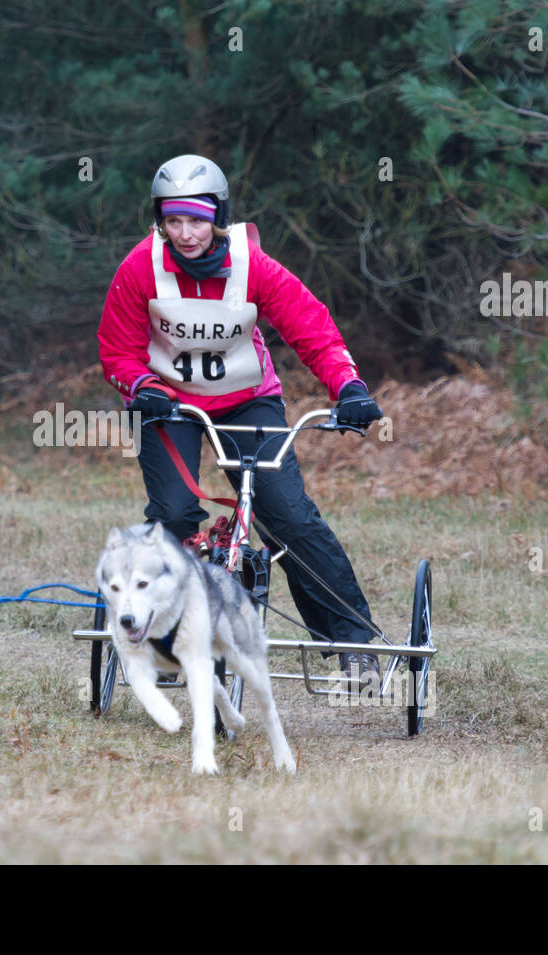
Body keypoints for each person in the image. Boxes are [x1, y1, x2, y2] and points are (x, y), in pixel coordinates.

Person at [97, 154, 383, 682]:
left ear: (218, 217)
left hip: (247, 401)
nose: (185, 234)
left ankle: (353, 640)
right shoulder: (140, 266)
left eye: (197, 220)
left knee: (290, 519)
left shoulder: (254, 266)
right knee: (175, 513)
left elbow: (311, 328)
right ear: (159, 219)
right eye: (173, 220)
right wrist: (140, 385)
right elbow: (117, 350)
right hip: (171, 404)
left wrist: (348, 386)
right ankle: (163, 639)